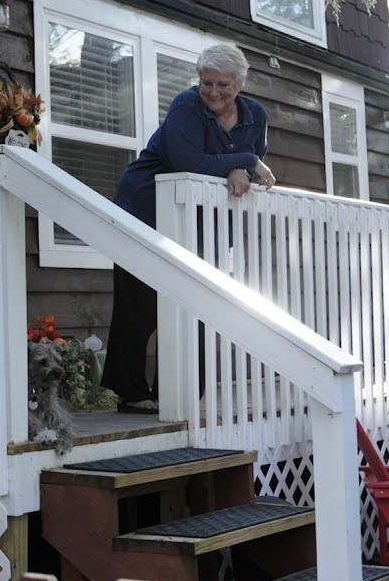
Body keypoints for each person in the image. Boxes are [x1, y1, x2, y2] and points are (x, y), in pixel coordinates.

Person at [102, 43, 276, 414]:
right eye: (206, 82)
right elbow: (188, 160)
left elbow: (240, 168)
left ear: (240, 84)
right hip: (145, 208)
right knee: (141, 304)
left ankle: (178, 391)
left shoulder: (255, 115)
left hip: (200, 220)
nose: (213, 92)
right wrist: (244, 161)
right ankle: (130, 392)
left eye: (223, 85)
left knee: (195, 303)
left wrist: (238, 168)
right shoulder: (186, 105)